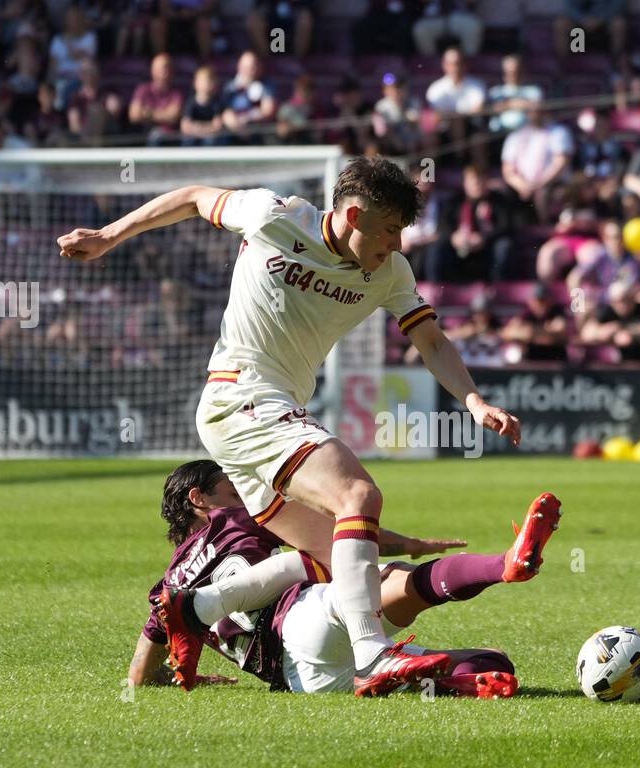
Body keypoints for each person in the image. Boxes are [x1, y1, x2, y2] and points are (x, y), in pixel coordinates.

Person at [57, 156, 522, 698]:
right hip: (243, 394)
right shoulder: (273, 215)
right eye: (390, 229)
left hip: (257, 417)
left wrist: (473, 402)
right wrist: (109, 236)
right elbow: (192, 196)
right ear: (352, 214)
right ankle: (372, 655)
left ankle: (197, 606)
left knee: (341, 560)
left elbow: (432, 342)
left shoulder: (391, 272)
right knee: (358, 492)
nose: (396, 244)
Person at [134, 460, 559, 697]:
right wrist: (409, 542)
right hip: (301, 618)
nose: (242, 498)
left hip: (303, 681)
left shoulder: (166, 589)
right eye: (231, 490)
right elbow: (342, 536)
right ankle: (503, 564)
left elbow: (139, 676)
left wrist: (183, 676)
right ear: (199, 499)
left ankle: (445, 683)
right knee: (394, 580)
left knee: (491, 661)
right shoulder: (236, 519)